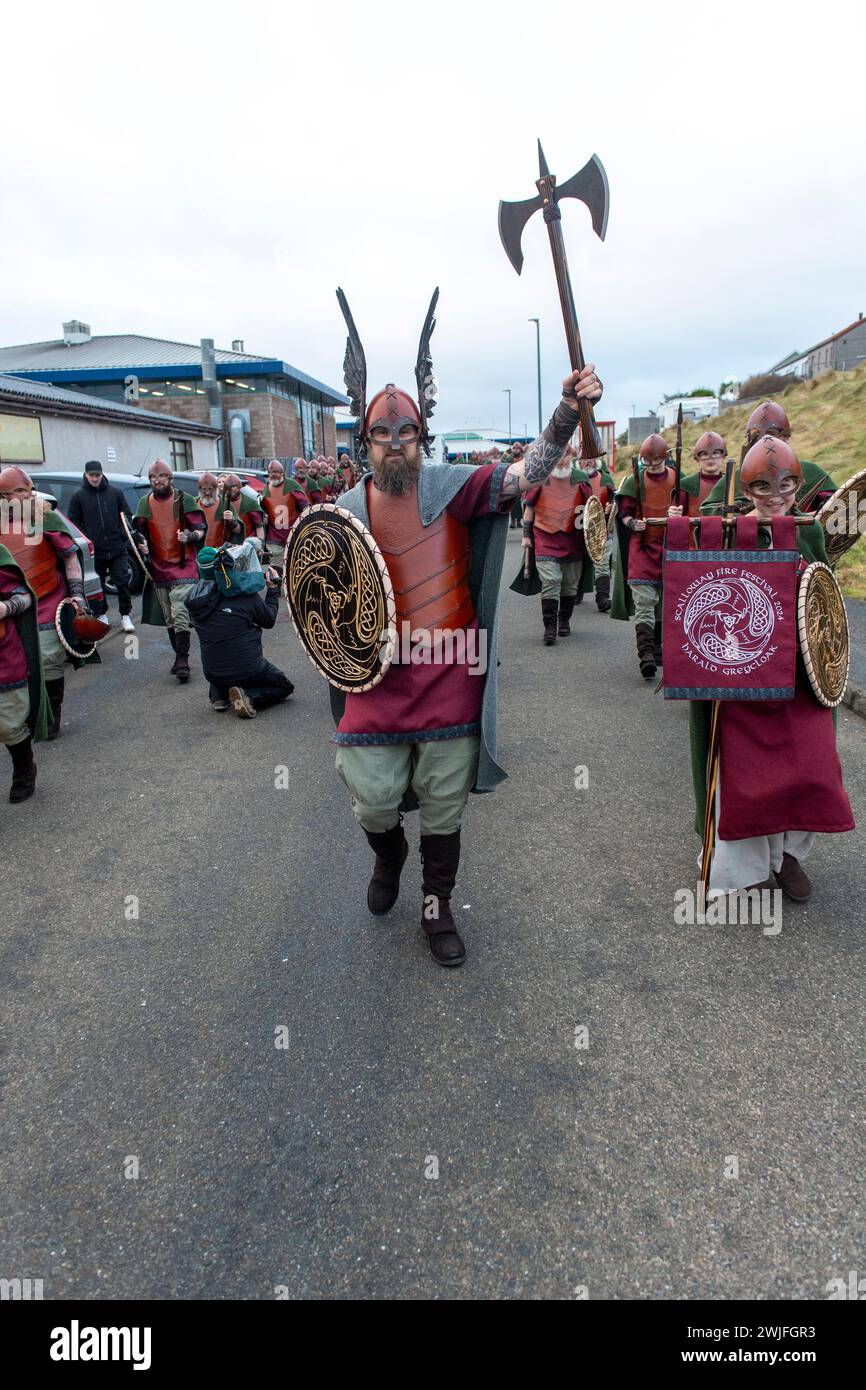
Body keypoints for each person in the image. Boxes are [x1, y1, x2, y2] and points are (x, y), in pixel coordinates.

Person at [329, 291, 602, 965]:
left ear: (423, 436)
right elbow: (323, 604)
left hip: (450, 671)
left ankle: (436, 907)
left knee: (445, 806)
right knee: (372, 798)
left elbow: (524, 474)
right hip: (377, 679)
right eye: (382, 435)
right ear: (364, 442)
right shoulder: (340, 507)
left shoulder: (454, 485)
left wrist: (567, 412)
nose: (395, 444)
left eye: (407, 433)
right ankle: (387, 854)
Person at [689, 437, 853, 898]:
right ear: (747, 486)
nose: (774, 493)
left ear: (798, 484)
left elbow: (823, 599)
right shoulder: (725, 529)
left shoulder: (809, 530)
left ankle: (790, 854)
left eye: (785, 483)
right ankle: (746, 865)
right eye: (762, 484)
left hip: (801, 675)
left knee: (811, 765)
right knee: (749, 776)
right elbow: (700, 594)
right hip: (744, 676)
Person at [0, 465, 96, 738]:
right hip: (12, 607)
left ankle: (53, 713)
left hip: (47, 602)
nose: (11, 500)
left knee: (49, 661)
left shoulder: (45, 519)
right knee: (18, 667)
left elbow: (70, 559)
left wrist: (77, 595)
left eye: (17, 492)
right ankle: (25, 718)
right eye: (4, 494)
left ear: (29, 492)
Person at [611, 433, 689, 678]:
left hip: (670, 548)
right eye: (649, 461)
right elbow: (623, 513)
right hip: (643, 548)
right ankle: (645, 654)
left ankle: (657, 648)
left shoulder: (680, 481)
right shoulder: (635, 481)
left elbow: (692, 510)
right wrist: (632, 523)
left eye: (657, 461)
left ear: (665, 458)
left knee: (664, 605)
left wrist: (680, 516)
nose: (653, 465)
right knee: (645, 603)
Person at [186, 542, 294, 718]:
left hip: (213, 673)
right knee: (284, 687)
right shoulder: (244, 595)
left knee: (219, 645)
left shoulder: (195, 600)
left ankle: (218, 696)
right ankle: (249, 697)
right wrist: (272, 590)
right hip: (249, 669)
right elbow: (268, 621)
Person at [511, 443, 593, 645]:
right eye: (557, 455)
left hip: (573, 539)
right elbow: (529, 508)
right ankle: (549, 627)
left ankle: (564, 620)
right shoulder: (540, 478)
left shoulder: (581, 480)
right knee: (550, 581)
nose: (561, 460)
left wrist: (594, 532)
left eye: (564, 455)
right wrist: (526, 534)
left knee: (569, 585)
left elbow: (590, 510)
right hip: (544, 537)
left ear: (571, 456)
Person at [132, 459, 206, 682]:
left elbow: (200, 530)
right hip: (159, 568)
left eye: (162, 477)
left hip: (183, 566)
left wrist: (191, 536)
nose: (158, 481)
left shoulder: (183, 500)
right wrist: (141, 543)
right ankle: (178, 656)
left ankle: (183, 660)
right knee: (170, 617)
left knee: (181, 613)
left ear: (170, 478)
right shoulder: (145, 503)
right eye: (154, 478)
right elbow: (138, 532)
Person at [702, 401, 835, 514]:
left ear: (786, 439)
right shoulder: (733, 479)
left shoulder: (810, 470)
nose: (769, 442)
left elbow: (841, 510)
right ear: (750, 442)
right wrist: (743, 511)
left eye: (776, 436)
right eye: (761, 437)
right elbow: (708, 513)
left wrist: (820, 514)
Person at [0, 536, 49, 800]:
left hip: (3, 654)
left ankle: (24, 769)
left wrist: (5, 607)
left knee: (8, 724)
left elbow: (23, 596)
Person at [67, 461, 135, 633]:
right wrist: (86, 538)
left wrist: (122, 534)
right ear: (86, 475)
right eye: (92, 475)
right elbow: (73, 521)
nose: (95, 478)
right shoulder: (78, 497)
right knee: (98, 585)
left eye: (98, 475)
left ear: (102, 474)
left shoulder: (115, 493)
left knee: (122, 581)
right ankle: (101, 614)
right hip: (94, 550)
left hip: (117, 547)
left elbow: (126, 514)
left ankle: (125, 615)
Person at [575, 452, 616, 610]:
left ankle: (603, 599)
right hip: (578, 528)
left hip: (601, 527)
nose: (588, 462)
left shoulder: (605, 479)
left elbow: (614, 500)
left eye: (590, 458)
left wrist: (611, 508)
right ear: (579, 461)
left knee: (602, 563)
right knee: (578, 563)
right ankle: (575, 593)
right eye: (584, 459)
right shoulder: (573, 479)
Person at [261, 460, 308, 560]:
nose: (273, 475)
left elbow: (305, 508)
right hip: (274, 537)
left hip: (293, 534)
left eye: (275, 472)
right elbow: (263, 510)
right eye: (270, 472)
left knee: (294, 565)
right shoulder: (267, 489)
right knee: (276, 568)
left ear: (282, 473)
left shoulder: (291, 485)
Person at [681, 431, 727, 515]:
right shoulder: (686, 485)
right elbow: (675, 523)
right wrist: (674, 515)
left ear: (723, 456)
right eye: (704, 454)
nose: (710, 459)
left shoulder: (732, 484)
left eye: (715, 453)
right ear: (697, 458)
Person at [220, 473, 265, 545]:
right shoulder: (221, 503)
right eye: (228, 487)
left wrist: (260, 545)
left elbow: (259, 526)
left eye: (233, 487)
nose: (231, 490)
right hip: (228, 545)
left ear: (239, 487)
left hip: (247, 544)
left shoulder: (249, 503)